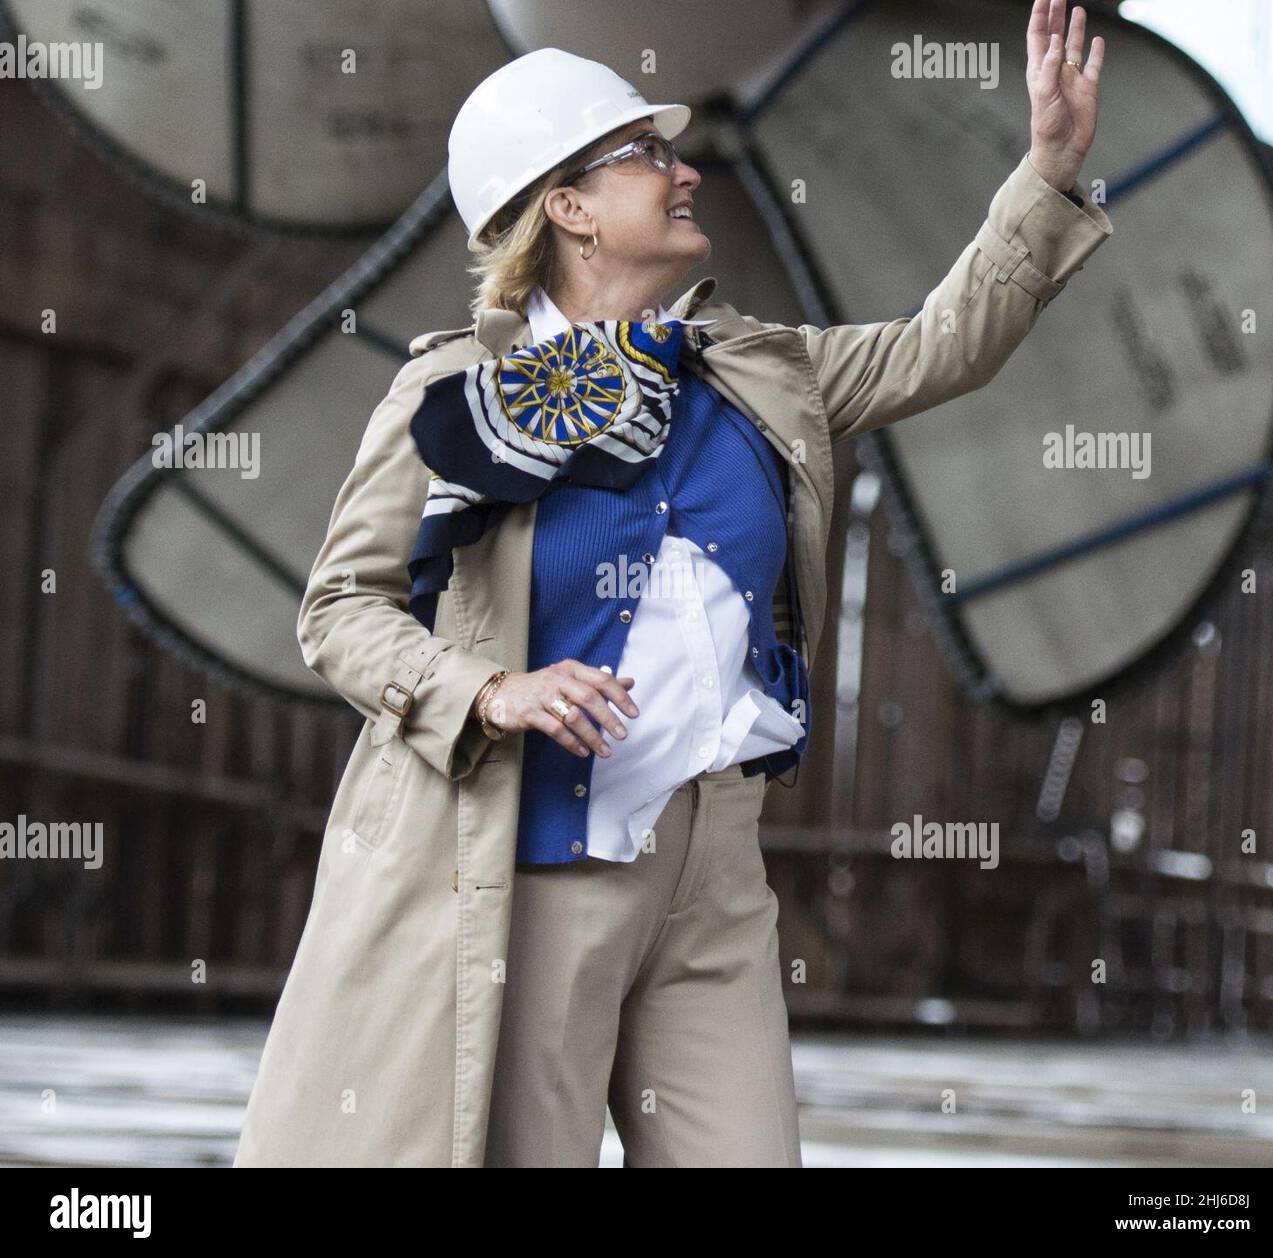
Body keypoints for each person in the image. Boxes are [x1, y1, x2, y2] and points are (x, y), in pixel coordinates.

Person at [233, 0, 1111, 1167]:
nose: (681, 169)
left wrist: (1046, 168)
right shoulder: (451, 398)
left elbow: (944, 342)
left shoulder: (758, 373)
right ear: (568, 207)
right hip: (543, 863)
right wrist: (488, 692)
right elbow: (339, 612)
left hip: (714, 866)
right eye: (643, 154)